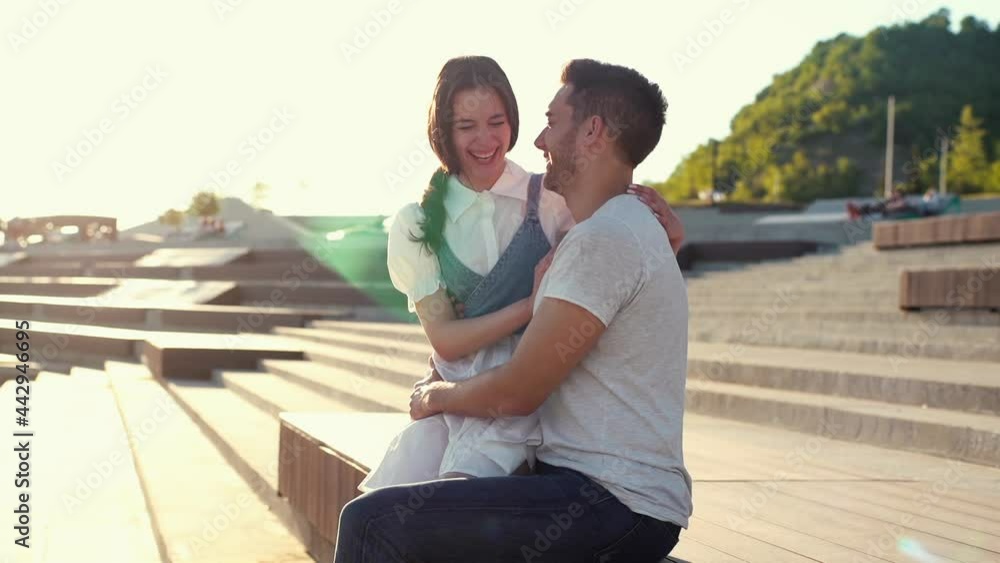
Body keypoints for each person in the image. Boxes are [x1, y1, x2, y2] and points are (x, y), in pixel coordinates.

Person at [335, 58, 691, 562]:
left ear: (591, 132)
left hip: (612, 497)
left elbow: (520, 391)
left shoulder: (600, 234)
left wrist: (436, 395)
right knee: (410, 514)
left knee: (372, 523)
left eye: (550, 122)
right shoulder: (612, 230)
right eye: (467, 125)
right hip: (586, 481)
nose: (540, 141)